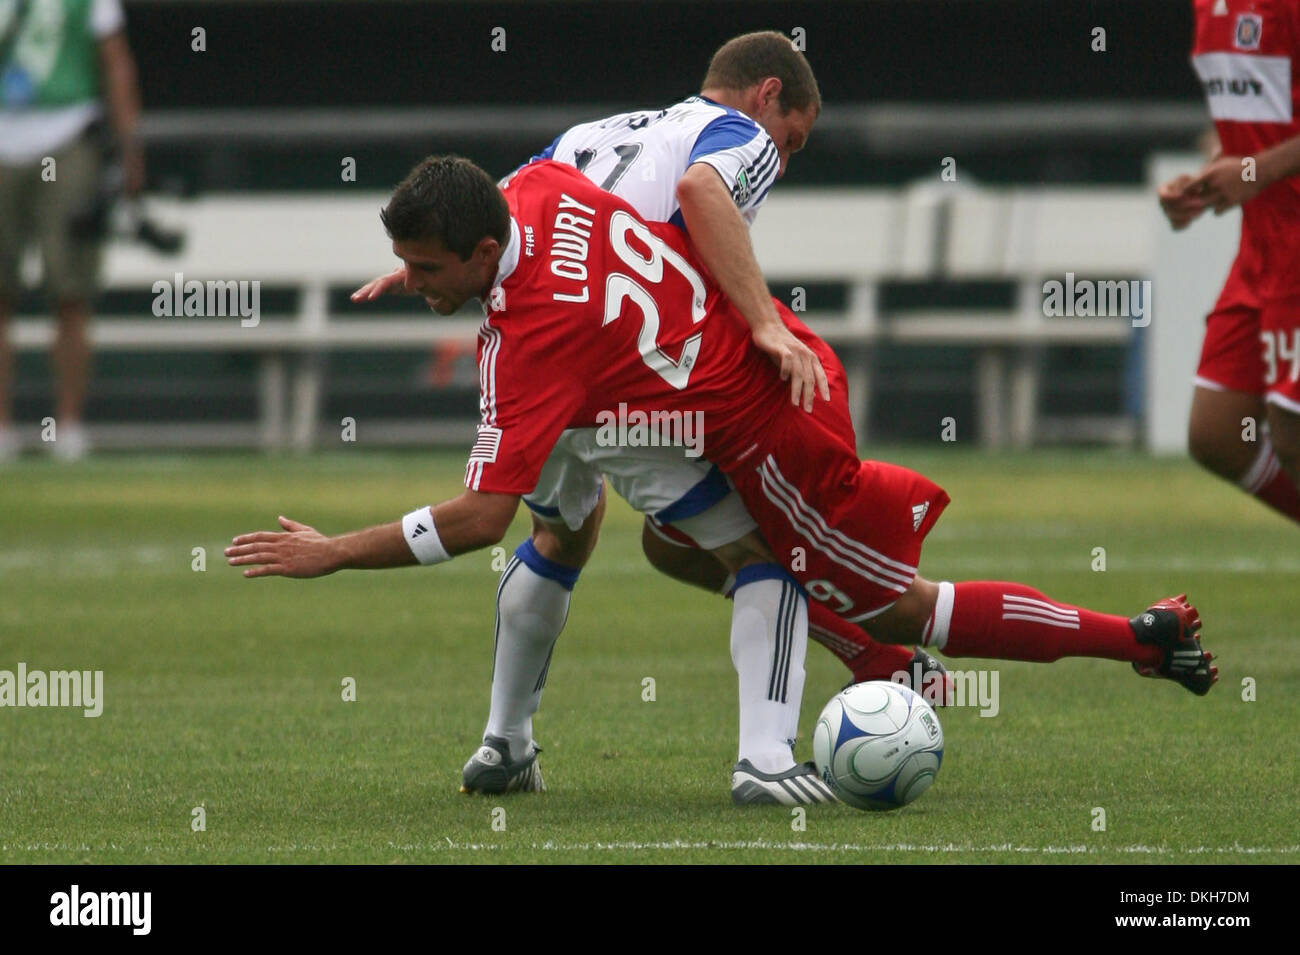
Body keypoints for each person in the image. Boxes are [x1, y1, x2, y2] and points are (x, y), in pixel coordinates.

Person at [227, 155, 1218, 797]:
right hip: (646, 404)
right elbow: (633, 208)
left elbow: (477, 518)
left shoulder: (527, 342)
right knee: (613, 537)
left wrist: (333, 554)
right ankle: (508, 747)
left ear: (484, 252)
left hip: (766, 421)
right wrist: (424, 265)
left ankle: (1129, 640)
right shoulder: (537, 184)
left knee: (874, 599)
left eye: (428, 270)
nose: (417, 286)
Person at [351, 32, 937, 804]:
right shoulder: (738, 140)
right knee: (761, 551)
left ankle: (504, 742)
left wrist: (423, 269)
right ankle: (765, 758)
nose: (783, 158)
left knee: (561, 534)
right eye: (791, 138)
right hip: (616, 368)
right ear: (767, 96)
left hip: (543, 362)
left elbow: (489, 205)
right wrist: (764, 322)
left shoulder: (593, 136)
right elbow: (701, 199)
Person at [1158, 0, 1300, 522]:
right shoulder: (1208, 8)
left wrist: (1257, 170)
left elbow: (1263, 157)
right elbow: (1263, 125)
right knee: (1217, 432)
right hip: (1262, 246)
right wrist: (1209, 178)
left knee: (1292, 430)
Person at [0, 0, 144, 462]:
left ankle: (68, 424)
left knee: (70, 290)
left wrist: (129, 150)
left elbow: (115, 60)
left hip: (66, 136)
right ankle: (2, 428)